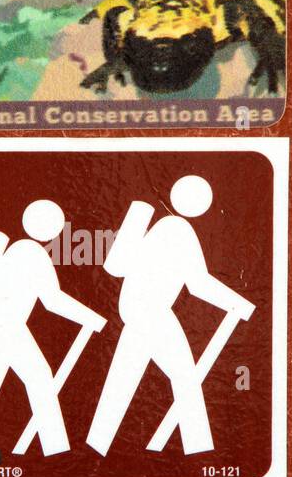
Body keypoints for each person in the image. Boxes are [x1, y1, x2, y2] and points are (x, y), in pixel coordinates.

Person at [87, 175, 254, 456]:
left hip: (135, 311)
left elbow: (120, 269)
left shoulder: (160, 227)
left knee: (123, 378)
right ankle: (199, 450)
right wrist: (238, 304)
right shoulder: (179, 231)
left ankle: (96, 447)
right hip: (153, 313)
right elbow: (198, 283)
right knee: (185, 377)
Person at [0, 199, 105, 457]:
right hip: (8, 326)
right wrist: (91, 318)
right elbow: (52, 300)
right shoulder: (32, 254)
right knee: (40, 378)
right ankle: (56, 451)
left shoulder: (16, 249)